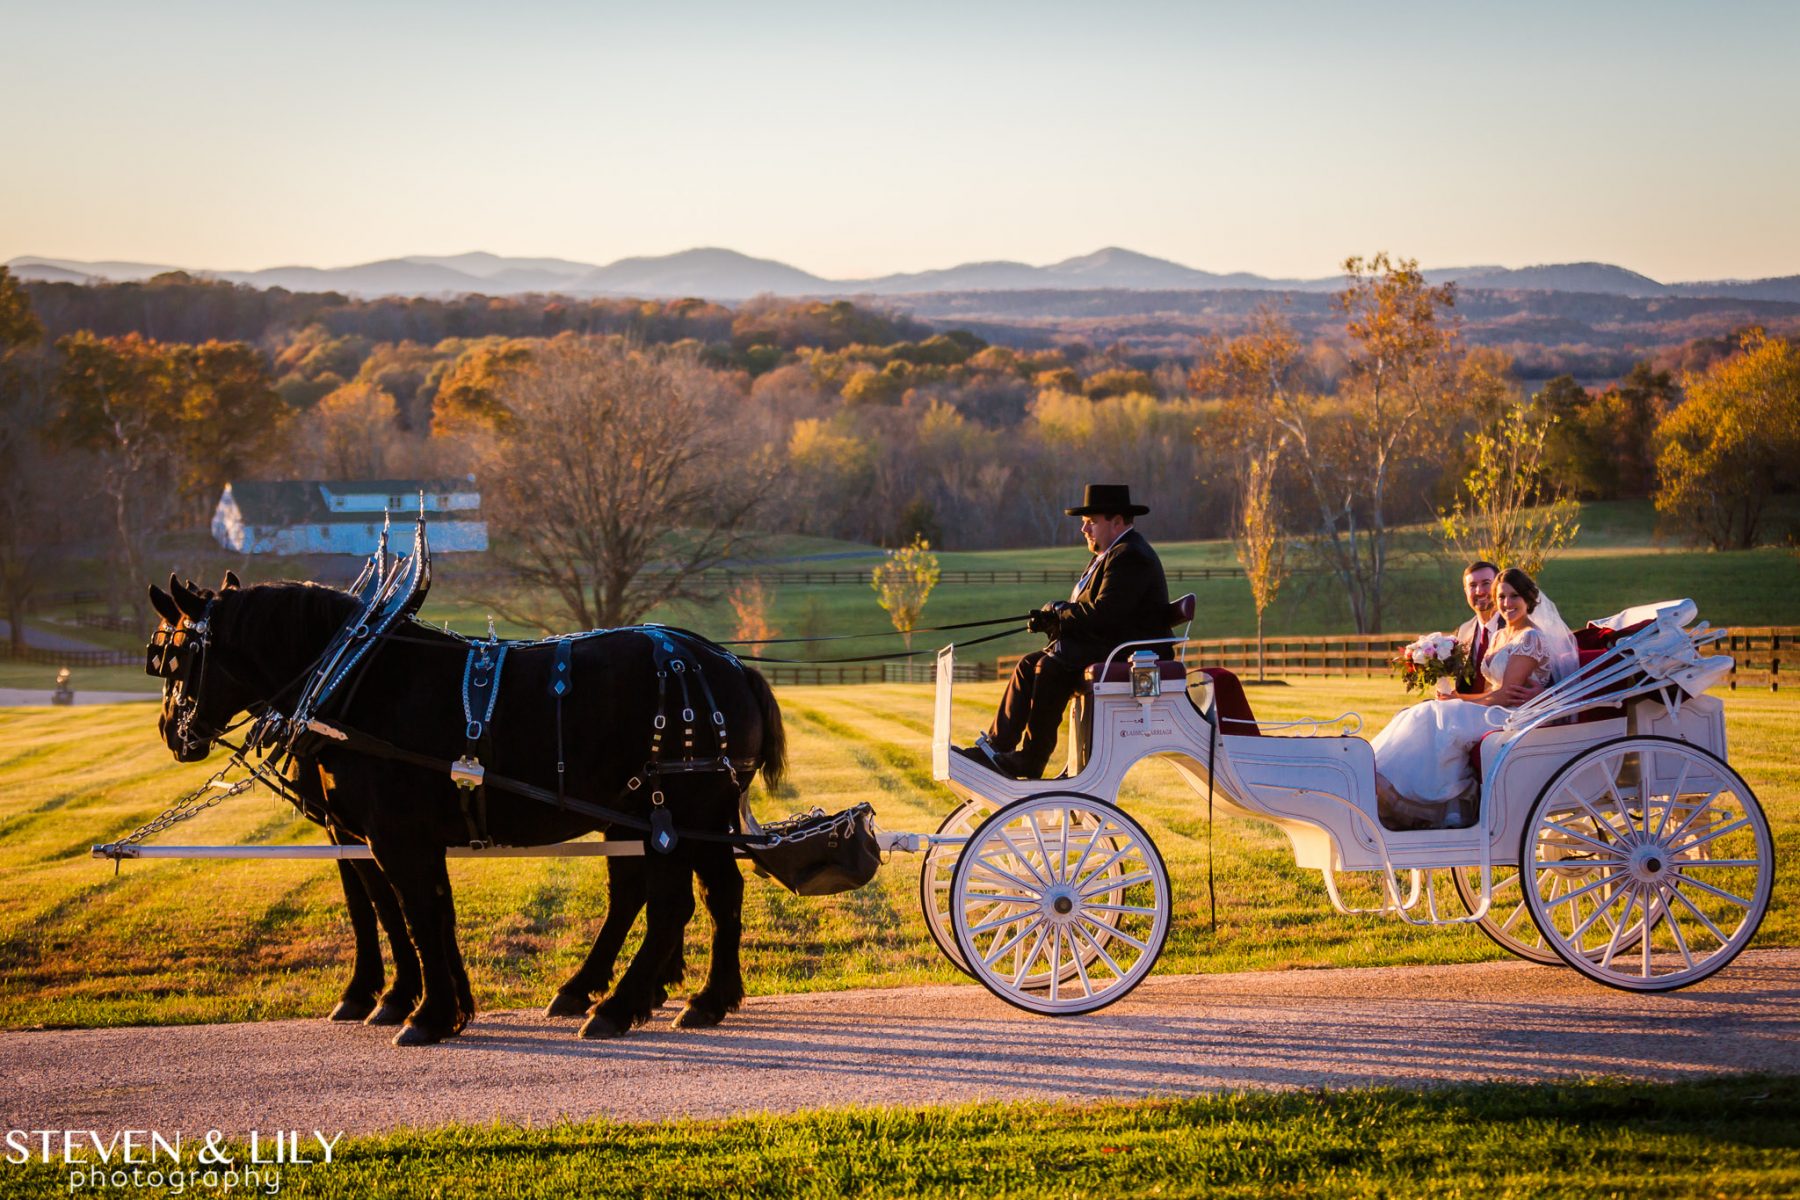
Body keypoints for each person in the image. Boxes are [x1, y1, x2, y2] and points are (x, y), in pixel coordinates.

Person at [957, 483, 1173, 780]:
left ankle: (1032, 759)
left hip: (1128, 652)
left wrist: (1059, 613)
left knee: (1049, 667)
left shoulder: (1130, 555)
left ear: (1118, 521)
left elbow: (1106, 613)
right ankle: (995, 748)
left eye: (1092, 521)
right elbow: (1088, 612)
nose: (1084, 528)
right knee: (1027, 665)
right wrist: (1054, 620)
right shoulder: (1110, 554)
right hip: (1108, 643)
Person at [1371, 567, 1578, 829]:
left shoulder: (1530, 638)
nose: (1506, 604)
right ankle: (1381, 778)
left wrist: (1459, 699)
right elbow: (1494, 688)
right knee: (1421, 712)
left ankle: (1436, 800)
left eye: (1514, 597)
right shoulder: (1503, 635)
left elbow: (1505, 694)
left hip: (1512, 715)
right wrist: (1457, 699)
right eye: (1501, 597)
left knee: (1439, 715)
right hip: (1495, 708)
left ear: (1528, 599)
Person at [1452, 560, 1503, 696]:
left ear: (1498, 587)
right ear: (1466, 591)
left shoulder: (1514, 628)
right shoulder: (1463, 631)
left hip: (1502, 710)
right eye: (1472, 586)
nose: (1479, 591)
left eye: (1486, 583)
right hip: (1465, 709)